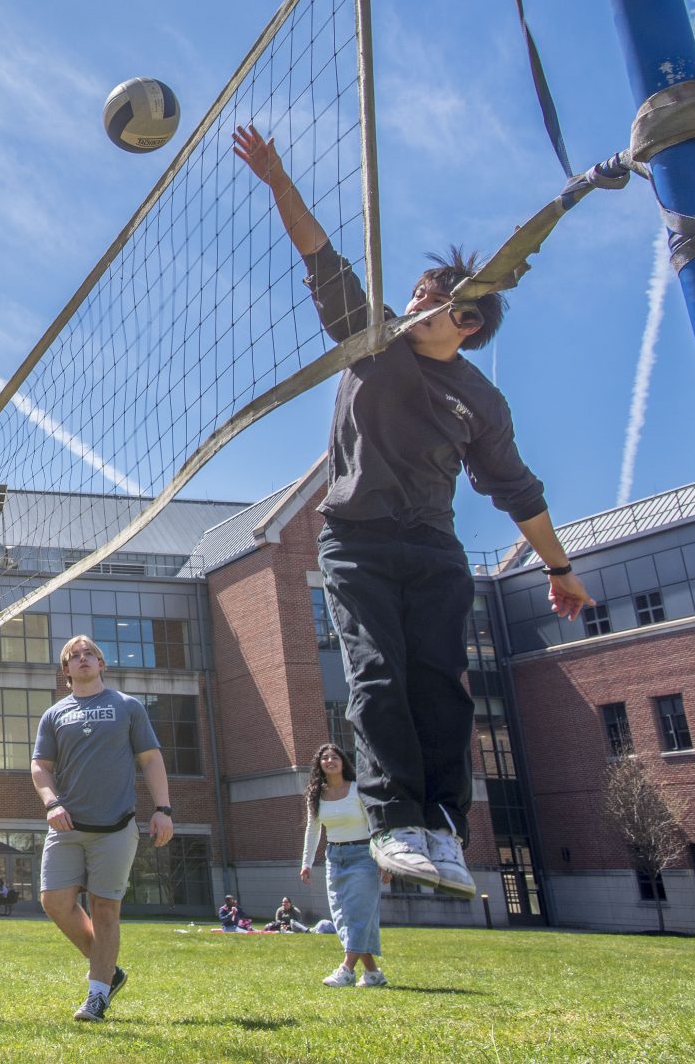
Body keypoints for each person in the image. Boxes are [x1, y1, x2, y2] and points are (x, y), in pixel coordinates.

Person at [234, 125, 594, 895]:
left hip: (434, 548)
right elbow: (322, 258)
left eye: (434, 302)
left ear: (467, 324)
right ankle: (394, 818)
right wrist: (276, 179)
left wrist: (559, 568)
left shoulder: (480, 399)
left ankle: (444, 830)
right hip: (356, 543)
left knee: (440, 685)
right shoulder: (375, 341)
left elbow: (517, 489)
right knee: (377, 676)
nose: (416, 303)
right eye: (419, 293)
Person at [32, 633, 173, 1024]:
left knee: (105, 908)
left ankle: (96, 995)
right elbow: (40, 767)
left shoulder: (127, 707)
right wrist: (52, 803)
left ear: (102, 664)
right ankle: (109, 971)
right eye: (74, 656)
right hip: (67, 824)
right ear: (66, 670)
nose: (83, 659)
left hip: (116, 826)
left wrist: (163, 808)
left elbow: (150, 759)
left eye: (90, 653)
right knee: (54, 902)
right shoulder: (54, 714)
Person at [300, 742, 386, 987]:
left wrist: (384, 859)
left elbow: (376, 826)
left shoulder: (359, 790)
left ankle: (346, 970)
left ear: (342, 762)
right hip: (334, 858)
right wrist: (306, 862)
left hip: (363, 855)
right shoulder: (316, 795)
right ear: (319, 765)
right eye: (324, 757)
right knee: (343, 916)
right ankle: (373, 974)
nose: (329, 760)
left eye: (334, 757)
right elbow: (313, 829)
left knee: (358, 915)